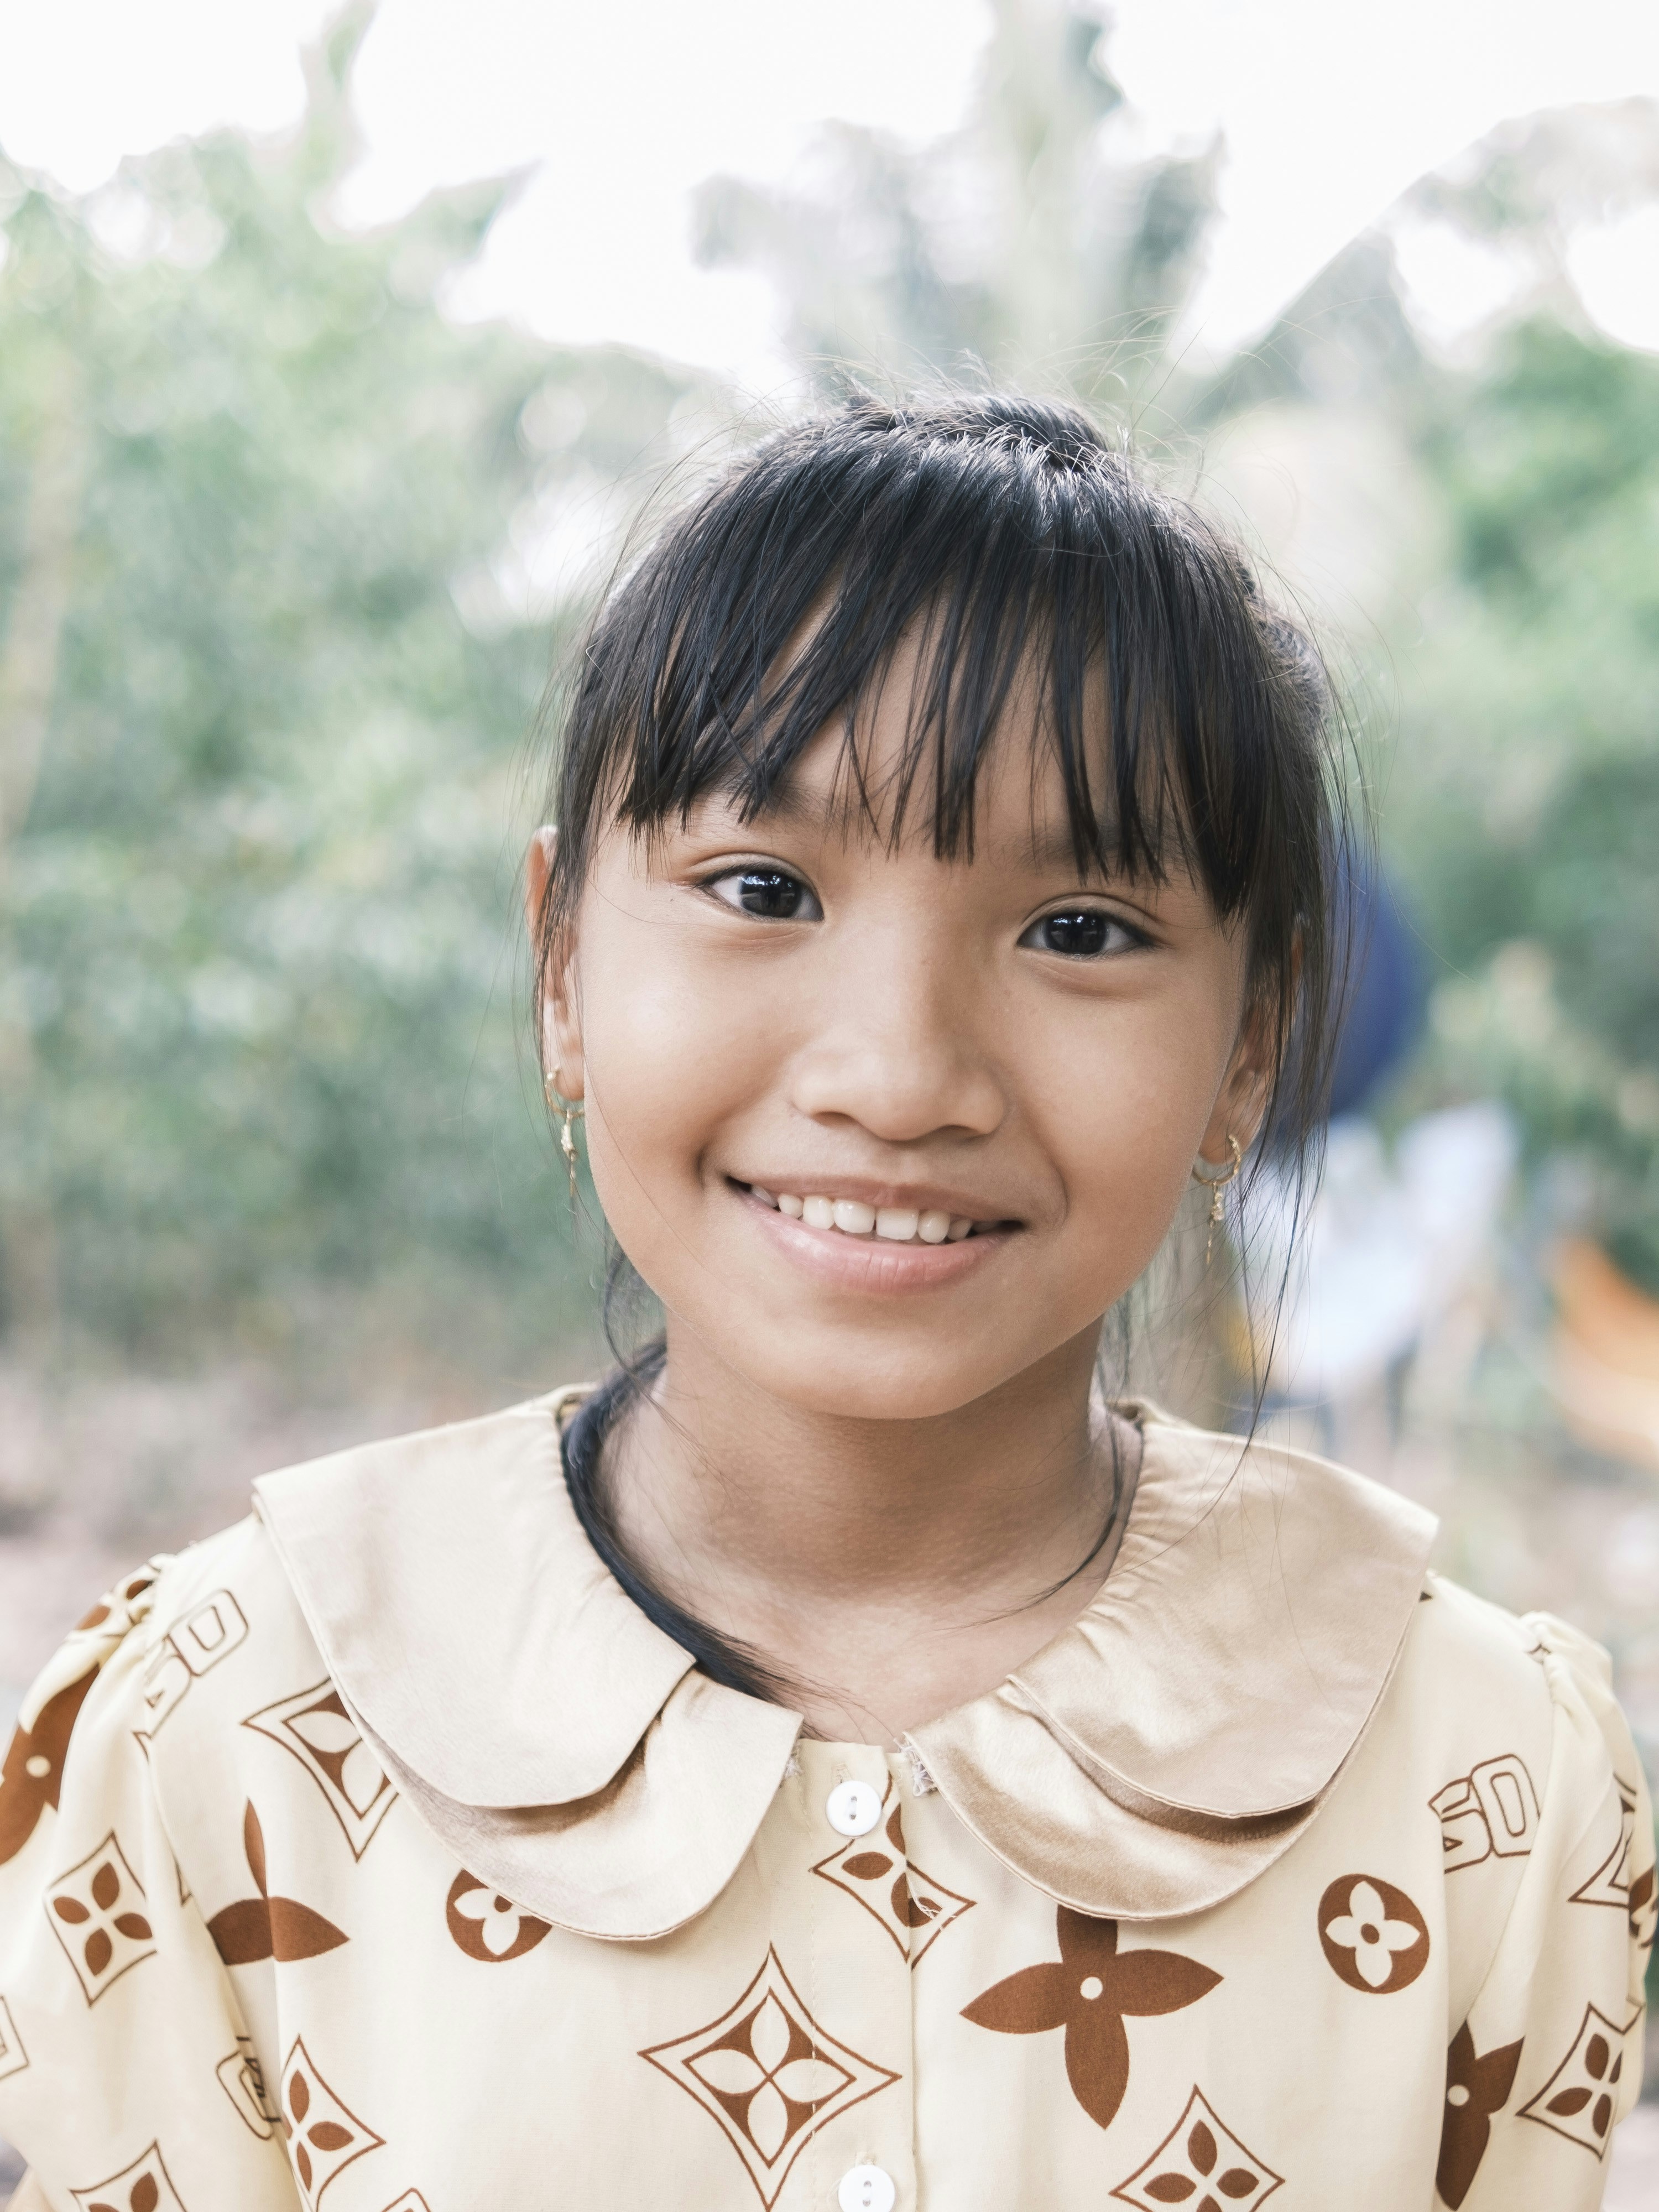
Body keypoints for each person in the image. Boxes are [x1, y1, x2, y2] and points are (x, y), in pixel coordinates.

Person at [0, 394, 1649, 2211]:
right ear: (560, 965)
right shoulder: (218, 1734)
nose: (899, 1073)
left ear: (1254, 1040)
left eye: (1081, 927)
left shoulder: (1479, 1772)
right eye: (764, 887)